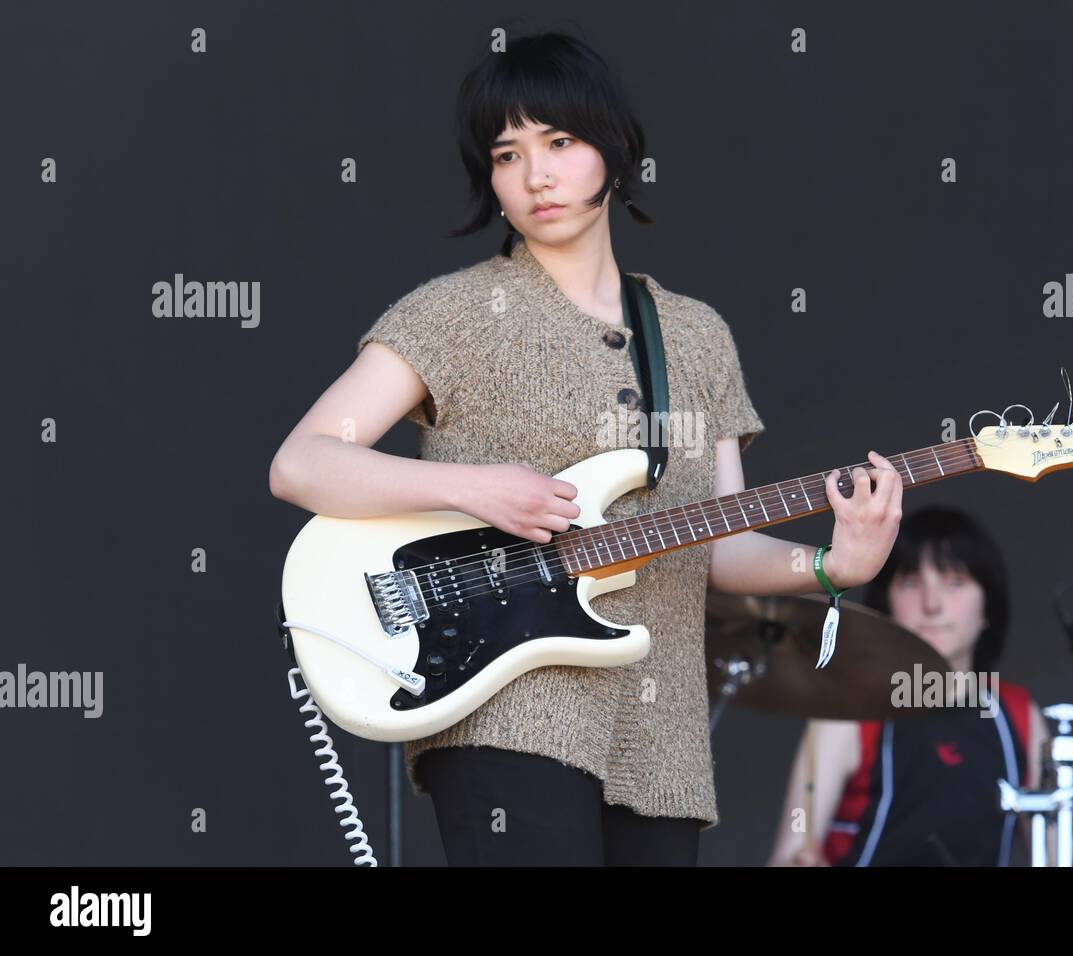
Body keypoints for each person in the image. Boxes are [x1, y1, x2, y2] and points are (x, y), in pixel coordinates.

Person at [269, 30, 904, 866]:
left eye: (560, 141)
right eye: (506, 153)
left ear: (613, 147)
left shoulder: (696, 336)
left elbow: (717, 544)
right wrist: (476, 489)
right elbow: (301, 463)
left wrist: (832, 567)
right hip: (507, 709)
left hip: (661, 732)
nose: (536, 174)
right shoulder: (452, 315)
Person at [767, 506, 1049, 866]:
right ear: (886, 602)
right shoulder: (847, 713)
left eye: (955, 581)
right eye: (911, 582)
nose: (932, 604)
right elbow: (788, 856)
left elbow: (1058, 855)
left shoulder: (1020, 716)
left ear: (987, 608)